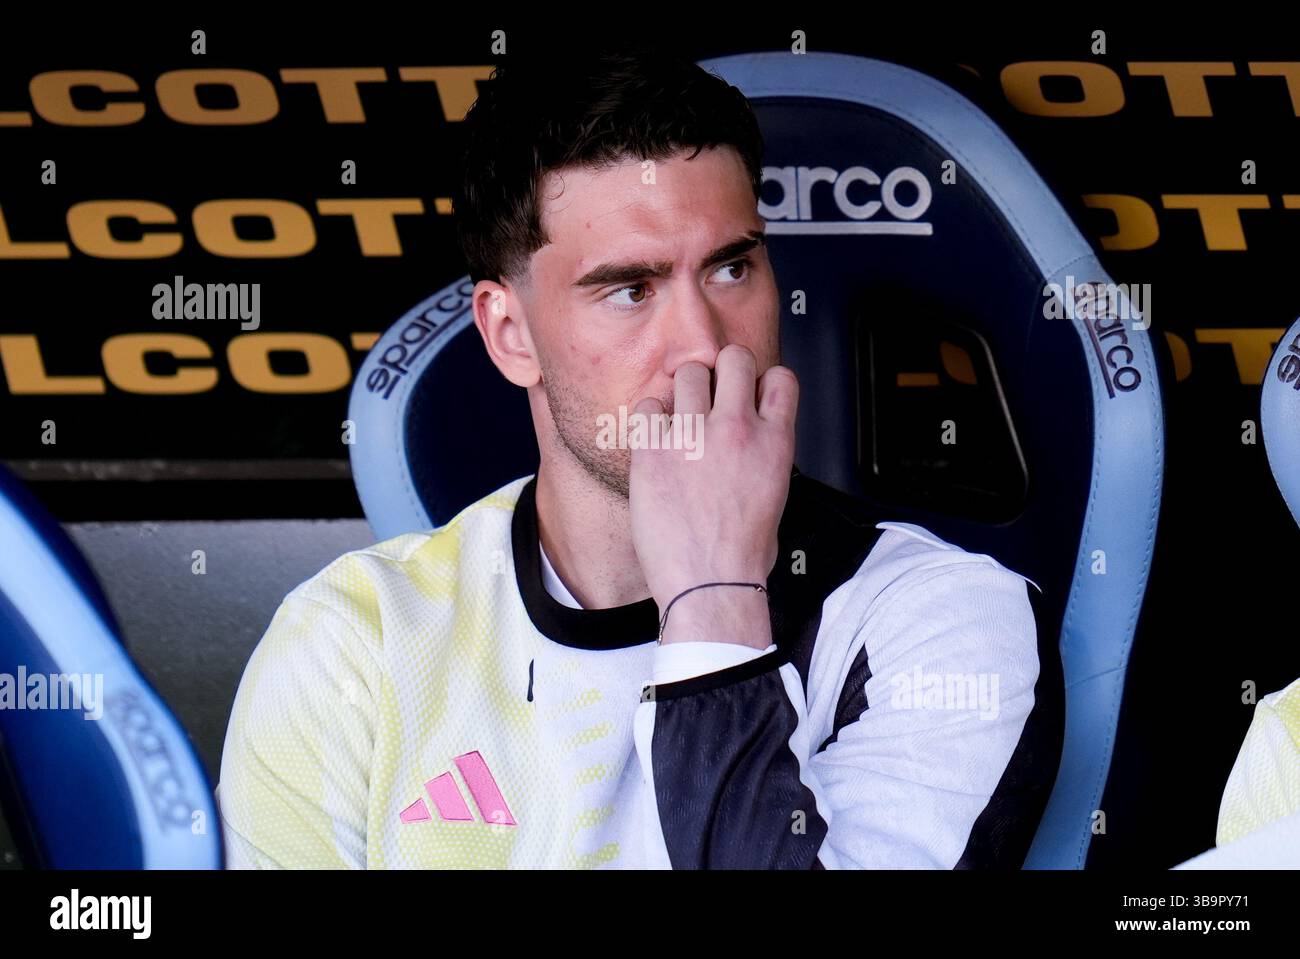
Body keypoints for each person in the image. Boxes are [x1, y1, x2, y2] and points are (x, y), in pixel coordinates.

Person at [216, 43, 1053, 869]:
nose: (701, 343)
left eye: (731, 269)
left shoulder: (942, 623)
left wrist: (714, 595)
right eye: (629, 289)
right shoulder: (350, 644)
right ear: (511, 336)